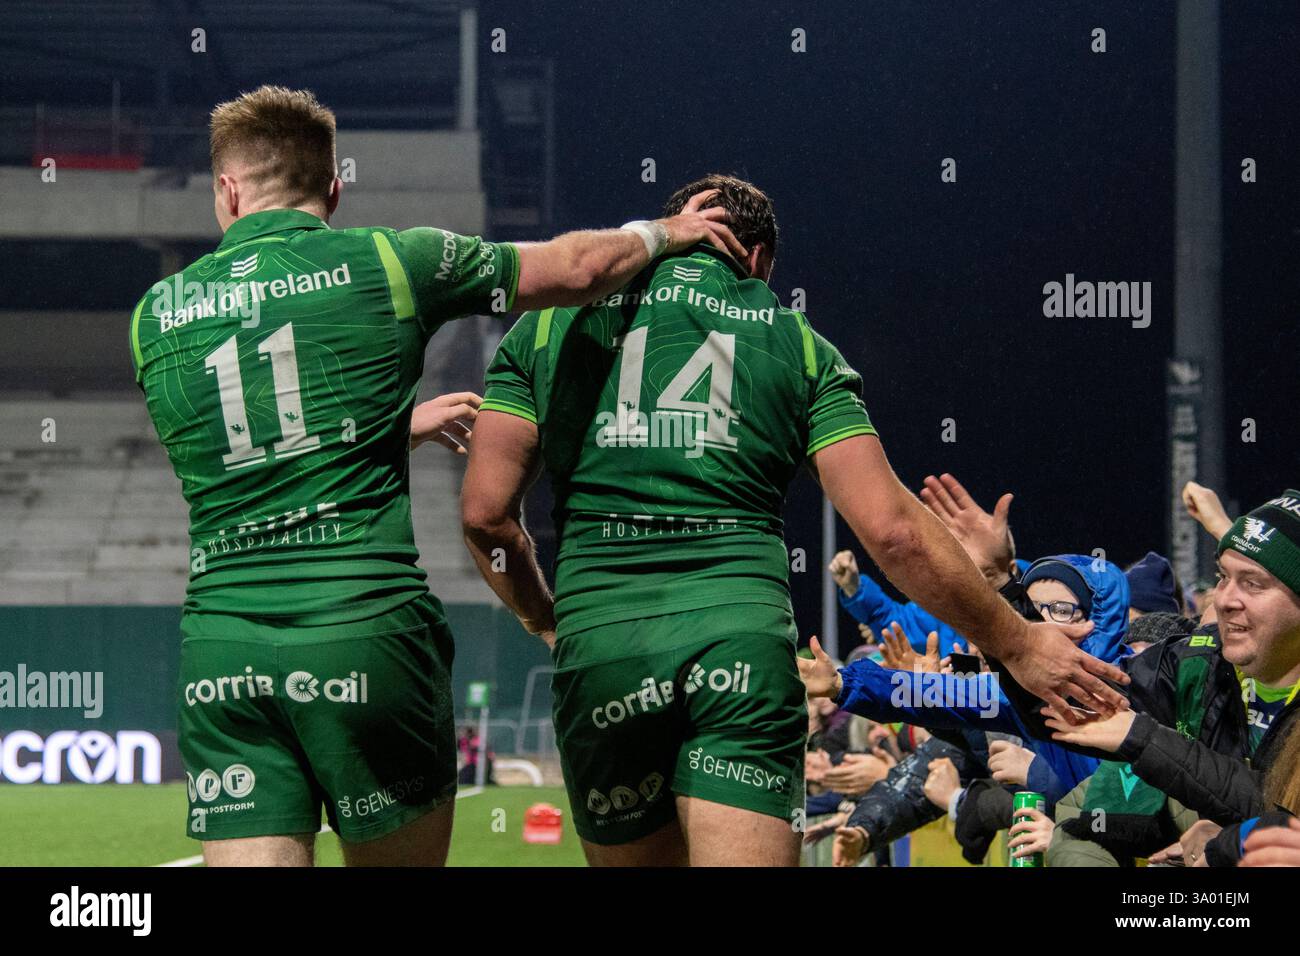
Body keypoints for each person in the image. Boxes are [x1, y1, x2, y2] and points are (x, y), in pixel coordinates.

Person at [132, 86, 748, 867]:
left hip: (224, 650)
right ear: (332, 188)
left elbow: (250, 449)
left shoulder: (156, 313)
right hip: (365, 633)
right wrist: (664, 231)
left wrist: (385, 427)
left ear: (226, 189)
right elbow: (577, 269)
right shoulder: (392, 259)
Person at [455, 174, 1126, 866]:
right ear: (759, 262)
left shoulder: (548, 326)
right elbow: (893, 531)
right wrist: (1015, 641)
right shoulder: (798, 344)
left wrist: (547, 621)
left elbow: (485, 516)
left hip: (603, 652)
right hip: (738, 649)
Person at [1045, 490, 1300, 865]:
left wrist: (1227, 844)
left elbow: (1281, 819)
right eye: (1222, 577)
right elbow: (1081, 816)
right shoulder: (1198, 662)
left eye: (1252, 583)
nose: (1222, 601)